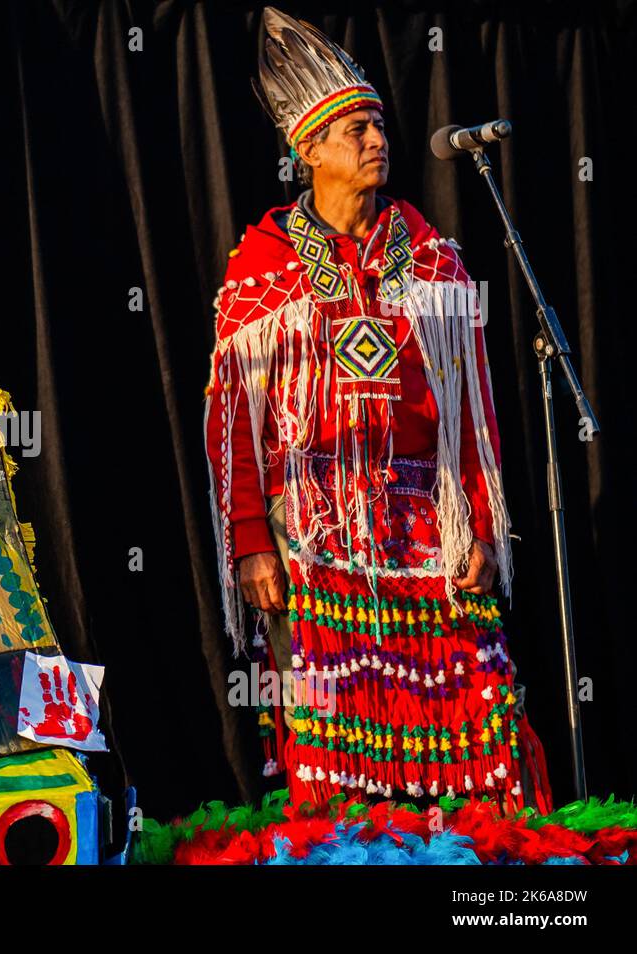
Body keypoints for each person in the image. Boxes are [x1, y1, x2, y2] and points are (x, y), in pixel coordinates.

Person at [203, 8, 552, 813]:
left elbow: (471, 414)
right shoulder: (264, 266)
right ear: (308, 151)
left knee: (468, 742)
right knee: (336, 757)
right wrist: (251, 540)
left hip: (425, 530)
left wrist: (483, 528)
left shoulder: (430, 254)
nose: (375, 138)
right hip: (315, 537)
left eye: (378, 124)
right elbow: (232, 425)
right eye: (354, 127)